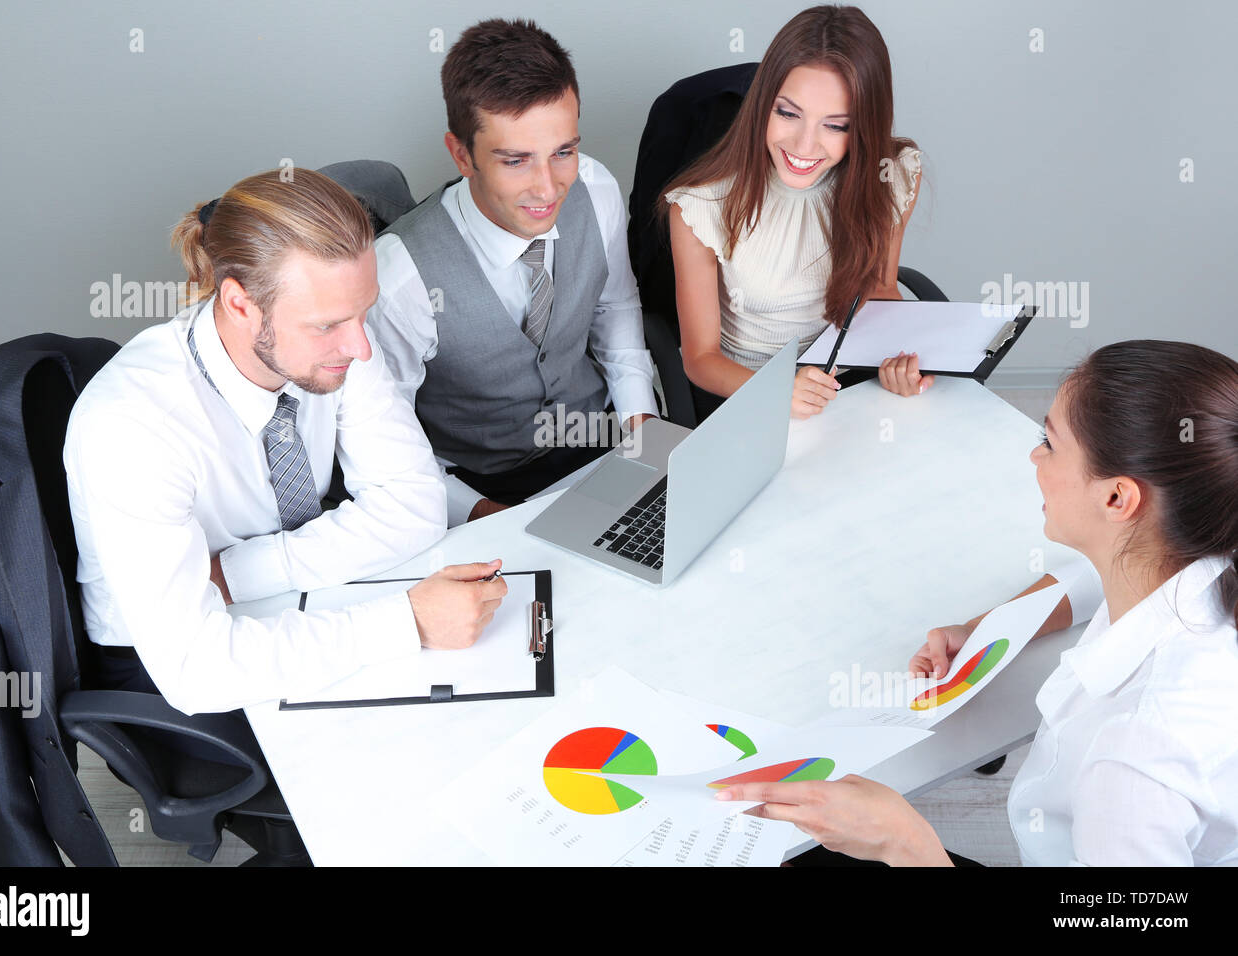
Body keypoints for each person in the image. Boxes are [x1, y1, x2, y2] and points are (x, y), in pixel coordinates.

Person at [718, 340, 1238, 866]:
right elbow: (1088, 578)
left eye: (1049, 443)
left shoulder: (1135, 763)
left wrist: (905, 842)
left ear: (1116, 498)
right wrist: (987, 626)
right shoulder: (1199, 562)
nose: (1035, 455)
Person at [65, 168, 507, 718]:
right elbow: (196, 671)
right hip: (161, 668)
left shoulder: (337, 335)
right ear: (241, 304)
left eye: (363, 313)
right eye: (328, 325)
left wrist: (237, 573)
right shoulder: (132, 426)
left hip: (271, 594)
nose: (362, 348)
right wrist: (407, 621)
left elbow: (416, 506)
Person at [362, 18, 658, 527]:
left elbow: (615, 308)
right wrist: (481, 515)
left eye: (563, 152)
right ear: (462, 155)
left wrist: (643, 428)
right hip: (480, 486)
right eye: (516, 161)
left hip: (599, 441)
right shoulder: (400, 278)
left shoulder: (596, 189)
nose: (549, 188)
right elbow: (385, 440)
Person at [664, 5, 929, 421]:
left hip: (843, 380)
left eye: (836, 125)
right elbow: (700, 358)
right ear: (762, 104)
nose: (805, 147)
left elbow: (879, 288)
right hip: (744, 389)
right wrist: (776, 389)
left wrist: (900, 362)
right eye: (788, 113)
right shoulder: (700, 207)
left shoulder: (888, 178)